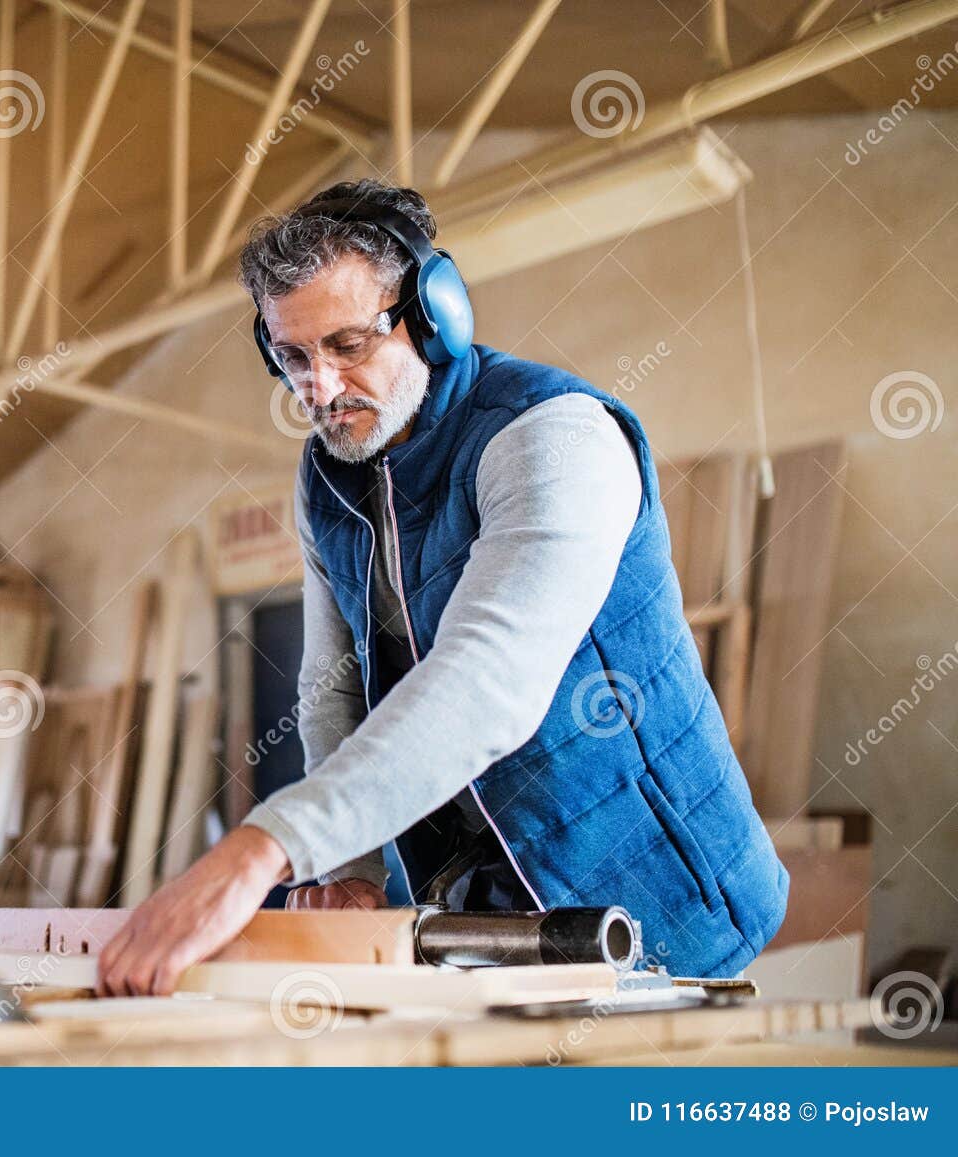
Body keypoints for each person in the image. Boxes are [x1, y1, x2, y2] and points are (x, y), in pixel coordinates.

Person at [96, 179, 787, 996]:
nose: (318, 389)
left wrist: (263, 847)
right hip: (484, 920)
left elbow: (487, 682)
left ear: (435, 315)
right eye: (292, 356)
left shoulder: (552, 438)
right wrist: (345, 865)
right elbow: (332, 689)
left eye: (349, 344)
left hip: (666, 911)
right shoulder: (329, 481)